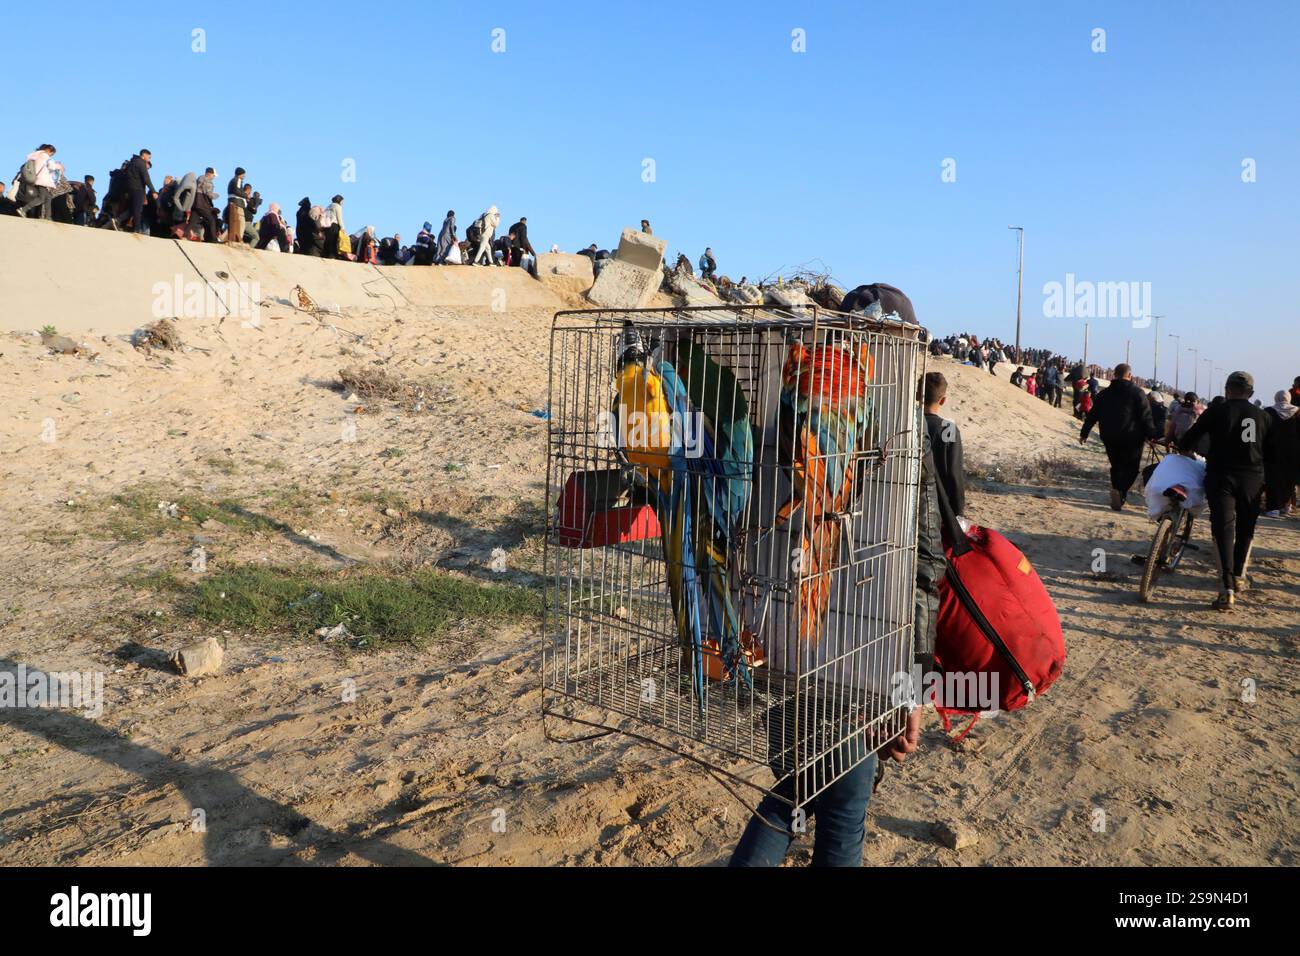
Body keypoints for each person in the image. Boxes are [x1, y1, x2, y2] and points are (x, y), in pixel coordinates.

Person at [1177, 372, 1273, 610]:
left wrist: (1185, 449)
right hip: (1252, 478)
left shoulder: (1217, 411)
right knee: (1246, 527)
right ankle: (1239, 575)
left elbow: (1190, 439)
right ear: (1250, 393)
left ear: (1228, 389)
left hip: (1221, 477)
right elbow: (1271, 454)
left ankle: (1226, 587)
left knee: (1223, 527)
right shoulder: (1263, 416)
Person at [1080, 363, 1158, 510]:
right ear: (1130, 376)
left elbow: (1092, 415)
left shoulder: (1104, 394)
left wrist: (1084, 433)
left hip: (1109, 436)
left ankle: (1118, 491)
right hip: (1132, 438)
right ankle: (1120, 491)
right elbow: (1146, 416)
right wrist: (1152, 435)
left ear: (1114, 375)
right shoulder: (1137, 393)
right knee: (1132, 468)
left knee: (1116, 466)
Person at [922, 371, 966, 516]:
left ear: (917, 395)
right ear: (943, 400)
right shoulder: (949, 428)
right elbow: (954, 475)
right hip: (938, 508)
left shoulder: (909, 424)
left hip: (906, 501)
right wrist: (958, 513)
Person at [1263, 390, 1298, 517]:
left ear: (1276, 398)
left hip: (1271, 451)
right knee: (1289, 479)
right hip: (1293, 452)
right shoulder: (1297, 412)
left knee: (1272, 479)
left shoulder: (1268, 411)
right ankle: (1286, 506)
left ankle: (1273, 508)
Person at [16, 145, 63, 220]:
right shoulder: (44, 156)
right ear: (49, 150)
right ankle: (23, 209)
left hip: (39, 179)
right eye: (52, 153)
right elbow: (51, 166)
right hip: (42, 180)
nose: (51, 155)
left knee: (48, 197)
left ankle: (48, 216)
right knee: (41, 198)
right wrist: (60, 166)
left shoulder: (37, 155)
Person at [122, 149, 155, 234]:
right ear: (144, 155)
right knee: (137, 210)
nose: (149, 159)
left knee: (131, 209)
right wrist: (153, 191)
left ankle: (123, 224)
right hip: (138, 189)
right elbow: (146, 178)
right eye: (149, 157)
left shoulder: (132, 162)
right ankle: (137, 229)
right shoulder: (141, 163)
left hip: (129, 189)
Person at [225, 167, 246, 245]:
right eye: (243, 174)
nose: (244, 176)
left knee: (233, 223)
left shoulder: (232, 180)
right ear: (240, 174)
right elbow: (237, 190)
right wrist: (245, 195)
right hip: (237, 203)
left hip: (232, 202)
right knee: (241, 222)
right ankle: (239, 239)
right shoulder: (238, 180)